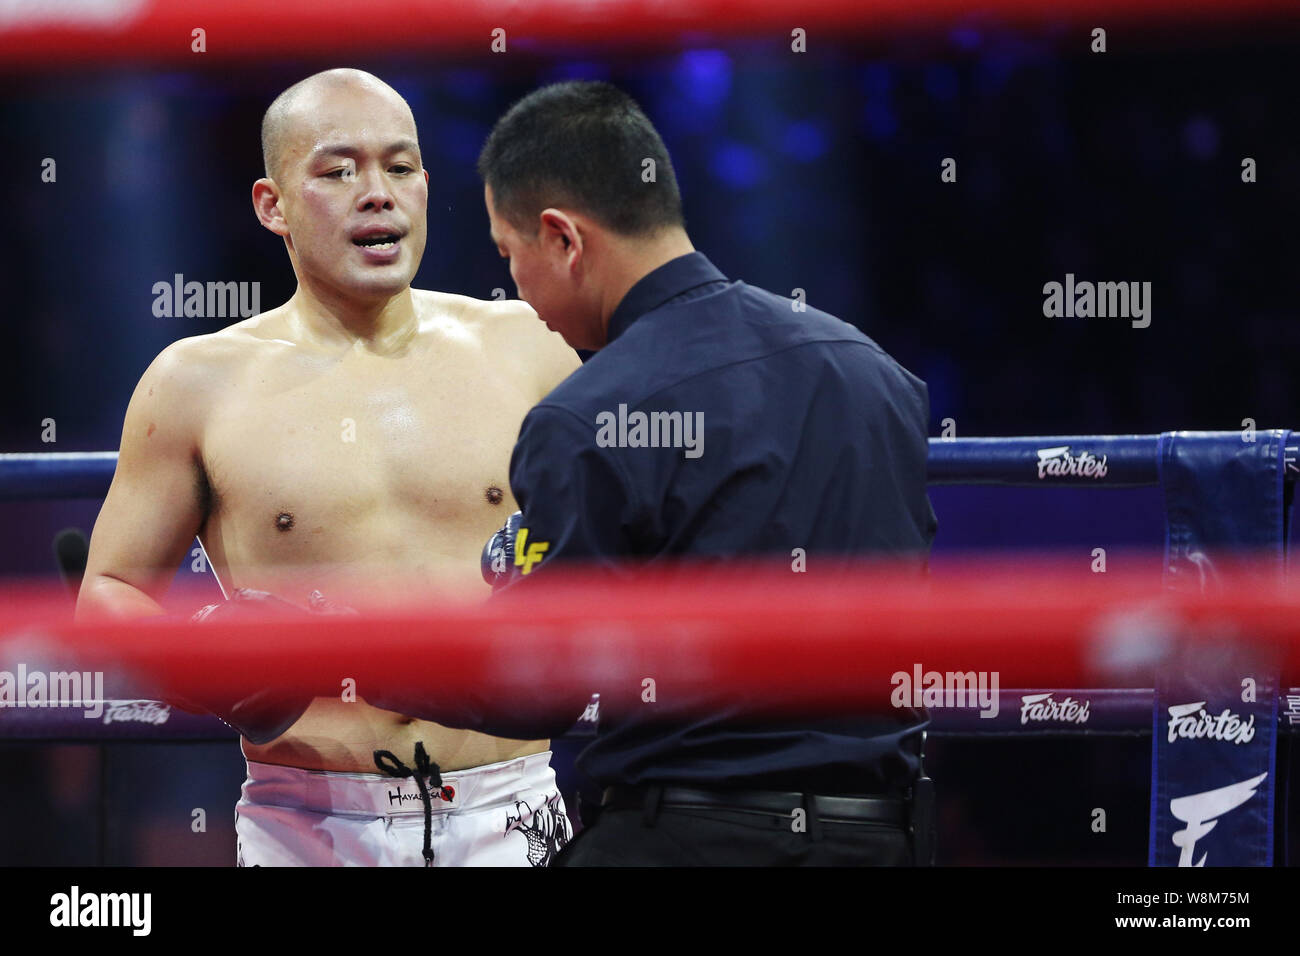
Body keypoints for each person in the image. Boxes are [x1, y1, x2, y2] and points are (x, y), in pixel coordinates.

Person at [75, 69, 580, 867]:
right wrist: (210, 658)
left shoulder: (532, 347)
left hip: (510, 806)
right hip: (307, 824)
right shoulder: (195, 382)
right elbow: (109, 595)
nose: (376, 193)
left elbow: (635, 544)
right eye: (338, 171)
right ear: (272, 204)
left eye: (400, 166)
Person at [477, 81, 938, 865]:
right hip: (883, 839)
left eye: (507, 255)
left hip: (684, 843)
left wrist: (365, 655)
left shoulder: (586, 415)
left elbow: (538, 691)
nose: (517, 290)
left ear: (562, 238)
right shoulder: (878, 374)